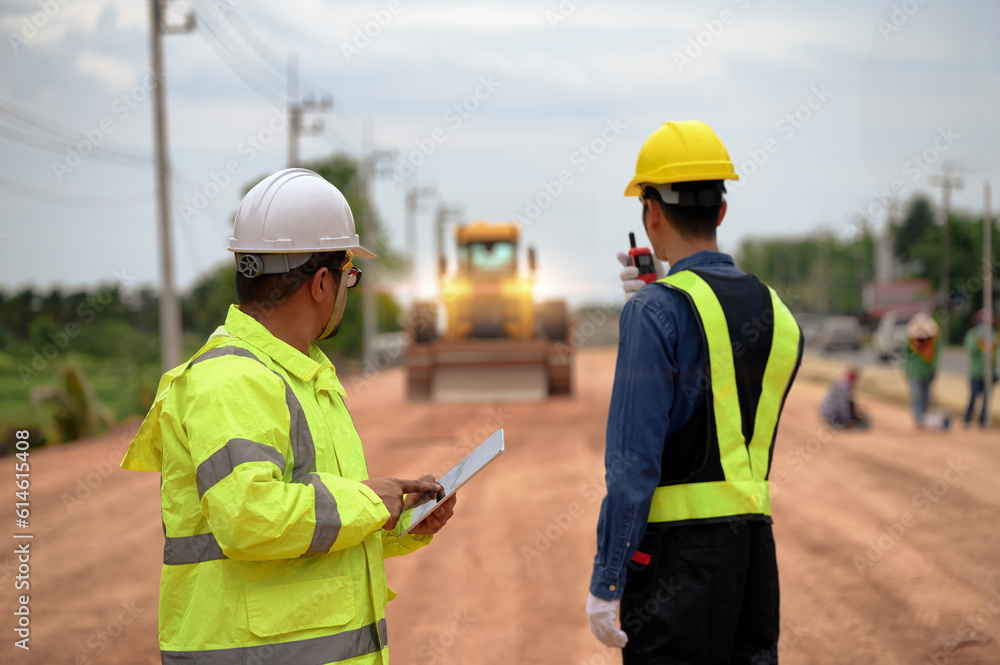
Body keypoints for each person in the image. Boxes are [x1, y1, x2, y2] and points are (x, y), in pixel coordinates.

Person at [121, 168, 456, 664]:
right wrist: (368, 501)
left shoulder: (302, 377)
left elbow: (308, 530)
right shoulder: (231, 380)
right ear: (322, 281)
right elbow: (249, 519)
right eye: (350, 276)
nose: (348, 289)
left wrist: (396, 523)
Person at [586, 121, 803, 663]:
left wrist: (607, 581)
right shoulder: (780, 314)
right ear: (721, 211)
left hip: (672, 567)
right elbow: (722, 394)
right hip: (754, 559)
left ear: (651, 212)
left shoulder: (652, 313)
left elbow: (632, 466)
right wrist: (665, 301)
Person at [902, 312, 940, 428]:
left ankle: (924, 418)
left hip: (928, 372)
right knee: (917, 396)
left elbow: (936, 356)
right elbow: (906, 355)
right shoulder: (910, 341)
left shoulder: (933, 341)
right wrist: (906, 371)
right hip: (914, 372)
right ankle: (919, 420)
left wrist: (934, 370)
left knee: (926, 397)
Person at [963, 309, 998, 428]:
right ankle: (967, 419)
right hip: (976, 373)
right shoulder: (972, 334)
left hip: (991, 374)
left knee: (987, 399)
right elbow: (971, 350)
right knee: (973, 396)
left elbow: (998, 353)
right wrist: (980, 339)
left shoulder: (996, 336)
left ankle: (983, 422)